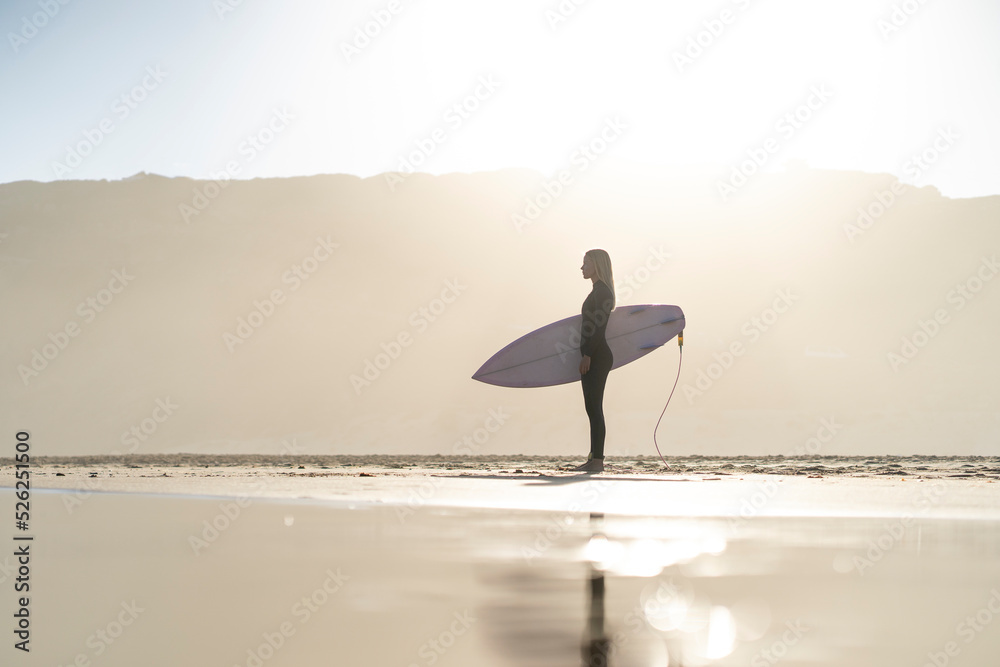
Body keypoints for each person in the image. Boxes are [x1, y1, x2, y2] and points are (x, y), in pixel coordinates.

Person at [575, 249, 615, 473]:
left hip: (597, 356)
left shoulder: (603, 292)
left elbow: (598, 327)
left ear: (597, 265)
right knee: (591, 408)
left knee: (595, 408)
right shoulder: (598, 291)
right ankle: (594, 458)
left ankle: (598, 460)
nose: (582, 267)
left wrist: (588, 354)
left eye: (585, 263)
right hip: (594, 354)